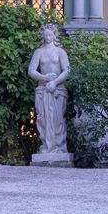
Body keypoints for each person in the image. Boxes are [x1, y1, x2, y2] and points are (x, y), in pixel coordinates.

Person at [27, 23, 71, 158]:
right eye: (45, 35)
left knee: (58, 119)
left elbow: (67, 70)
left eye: (50, 34)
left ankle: (59, 147)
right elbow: (31, 71)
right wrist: (45, 78)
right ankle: (46, 147)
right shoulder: (38, 52)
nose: (47, 37)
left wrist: (55, 82)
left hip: (58, 90)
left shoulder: (60, 52)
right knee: (43, 119)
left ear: (54, 35)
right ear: (42, 36)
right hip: (43, 89)